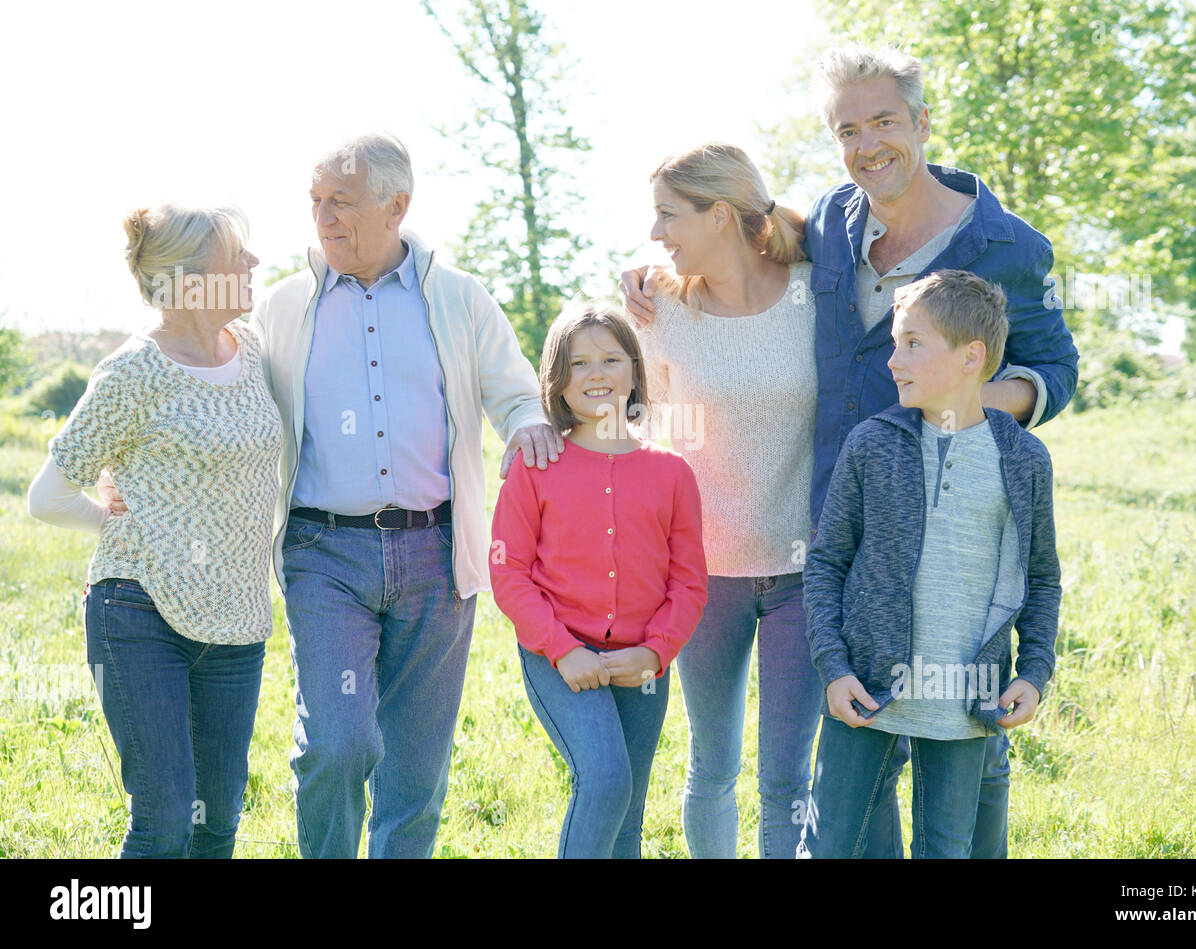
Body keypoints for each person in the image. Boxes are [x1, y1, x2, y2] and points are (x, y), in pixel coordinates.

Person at [621, 44, 1079, 857]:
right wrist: (655, 260)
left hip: (951, 534)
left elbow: (1055, 369)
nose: (869, 143)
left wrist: (967, 404)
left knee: (960, 738)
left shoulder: (1007, 246)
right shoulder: (833, 222)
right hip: (837, 528)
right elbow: (751, 246)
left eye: (884, 122)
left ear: (923, 123)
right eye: (848, 129)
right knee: (856, 749)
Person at [248, 133, 561, 859]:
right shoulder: (284, 307)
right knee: (338, 742)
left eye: (343, 202)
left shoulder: (457, 297)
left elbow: (516, 395)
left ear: (397, 206)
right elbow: (236, 411)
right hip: (325, 552)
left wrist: (528, 427)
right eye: (316, 201)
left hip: (436, 550)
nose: (323, 217)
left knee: (415, 767)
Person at [28, 203, 280, 857]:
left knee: (217, 820)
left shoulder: (253, 354)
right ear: (194, 281)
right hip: (138, 612)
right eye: (237, 256)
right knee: (165, 822)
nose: (254, 264)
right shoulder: (134, 371)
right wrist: (116, 524)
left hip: (237, 619)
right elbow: (47, 494)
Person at [800, 270, 1061, 857]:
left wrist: (1035, 671)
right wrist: (834, 667)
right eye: (895, 343)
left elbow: (1041, 578)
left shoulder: (1023, 459)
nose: (893, 360)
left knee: (946, 850)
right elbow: (826, 564)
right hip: (863, 692)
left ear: (972, 357)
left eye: (912, 343)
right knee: (832, 845)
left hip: (967, 706)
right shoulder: (871, 443)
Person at [633, 143, 823, 859]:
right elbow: (638, 428)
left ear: (720, 215)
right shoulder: (661, 310)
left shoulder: (815, 291)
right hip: (701, 573)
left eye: (667, 215)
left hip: (804, 569)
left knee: (786, 777)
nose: (655, 233)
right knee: (711, 766)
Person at [490, 303, 708, 858]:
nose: (597, 374)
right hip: (559, 656)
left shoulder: (672, 472)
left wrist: (655, 653)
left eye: (612, 359)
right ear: (557, 382)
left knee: (628, 813)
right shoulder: (536, 467)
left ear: (635, 371)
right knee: (606, 779)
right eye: (579, 363)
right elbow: (508, 571)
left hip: (641, 664)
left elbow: (688, 581)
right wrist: (563, 650)